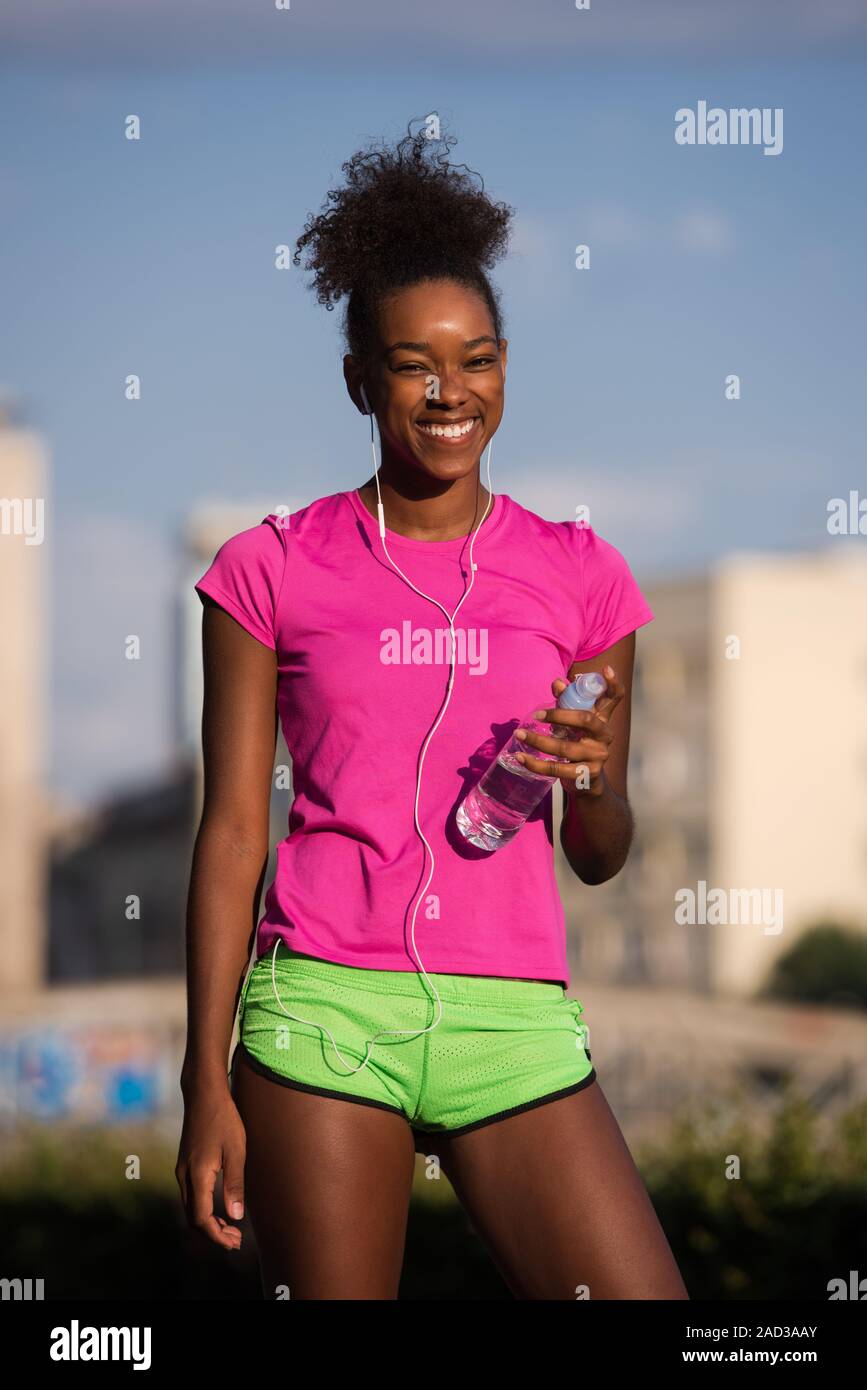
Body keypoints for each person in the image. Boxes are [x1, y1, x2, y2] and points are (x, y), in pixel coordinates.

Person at [175, 121, 689, 1301]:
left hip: (514, 1025)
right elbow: (233, 834)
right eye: (415, 364)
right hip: (323, 1016)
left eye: (480, 358)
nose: (452, 391)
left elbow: (600, 857)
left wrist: (598, 778)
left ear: (507, 368)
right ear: (362, 380)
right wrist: (206, 1082)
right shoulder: (268, 568)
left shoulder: (581, 576)